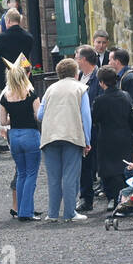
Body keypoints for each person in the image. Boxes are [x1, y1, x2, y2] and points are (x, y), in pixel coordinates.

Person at [38, 57, 91, 222]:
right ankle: (70, 212)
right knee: (70, 175)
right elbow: (86, 117)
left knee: (54, 177)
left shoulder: (50, 89)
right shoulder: (81, 89)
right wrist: (87, 140)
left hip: (49, 136)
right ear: (75, 73)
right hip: (71, 135)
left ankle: (52, 213)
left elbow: (40, 115)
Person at [89, 67, 133, 212]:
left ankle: (113, 198)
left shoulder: (100, 100)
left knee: (109, 170)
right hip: (125, 136)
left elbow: (95, 119)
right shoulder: (125, 96)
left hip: (107, 137)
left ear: (102, 83)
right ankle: (126, 197)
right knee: (124, 168)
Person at [0, 56, 41, 221]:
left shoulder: (6, 96)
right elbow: (38, 116)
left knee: (22, 173)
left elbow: (3, 121)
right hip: (30, 134)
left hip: (15, 136)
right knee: (31, 174)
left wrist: (14, 117)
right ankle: (26, 212)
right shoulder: (31, 93)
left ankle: (21, 210)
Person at [75, 45, 102, 213]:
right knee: (85, 165)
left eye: (77, 57)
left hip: (95, 126)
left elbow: (98, 102)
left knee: (97, 162)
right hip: (81, 126)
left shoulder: (98, 77)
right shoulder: (79, 76)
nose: (75, 60)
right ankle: (86, 198)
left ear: (84, 59)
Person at [0, 9, 32, 94]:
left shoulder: (0, 38)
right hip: (22, 79)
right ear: (19, 20)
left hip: (3, 79)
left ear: (8, 21)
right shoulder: (29, 37)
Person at [110, 48, 133, 112]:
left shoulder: (130, 79)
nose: (109, 63)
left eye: (110, 60)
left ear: (117, 62)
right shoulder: (121, 77)